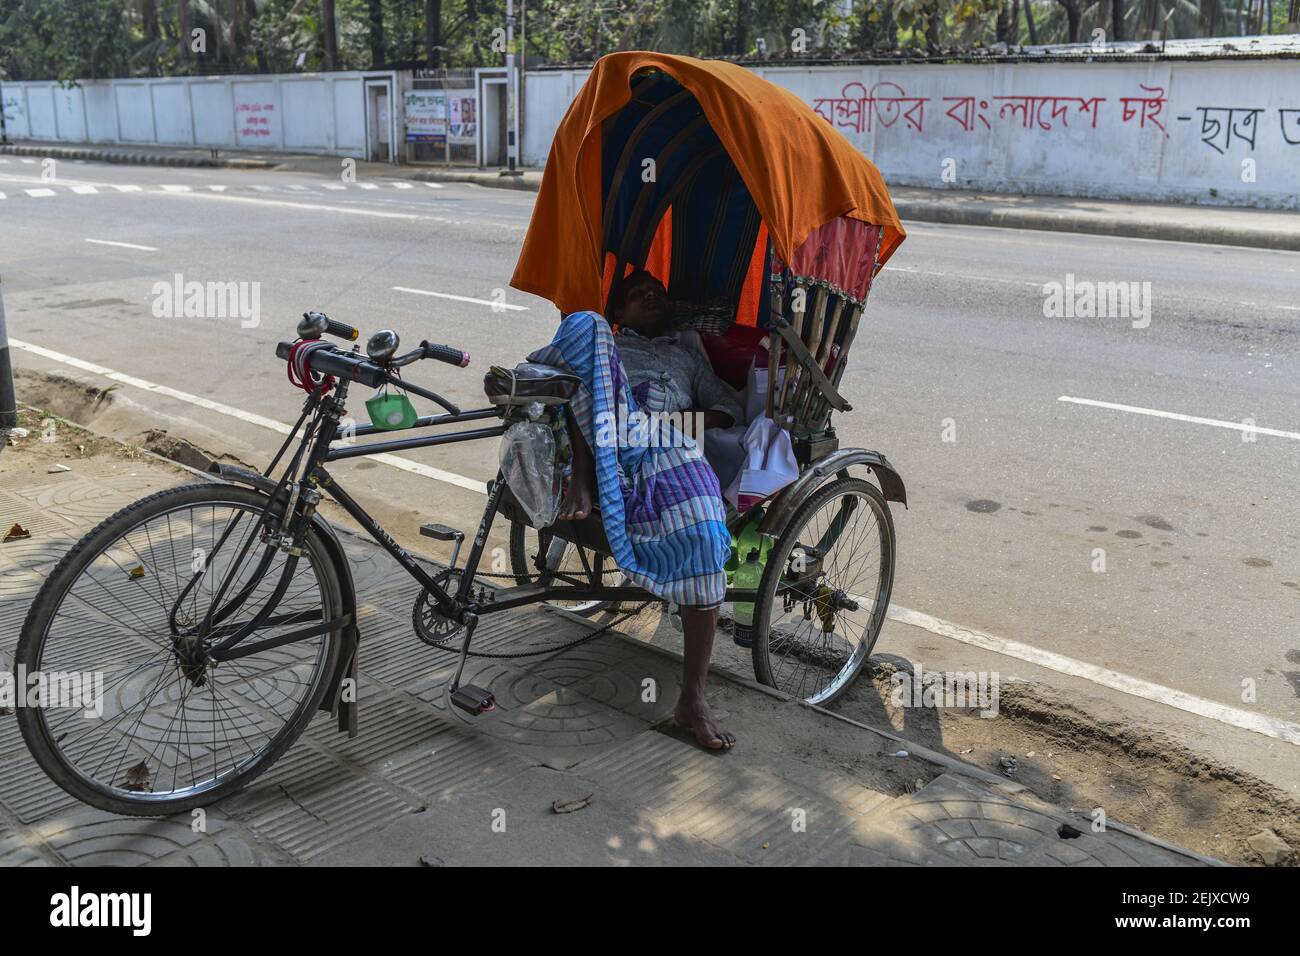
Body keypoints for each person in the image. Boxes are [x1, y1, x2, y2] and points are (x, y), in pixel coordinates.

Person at [526, 270, 742, 751]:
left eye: (657, 293)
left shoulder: (687, 356)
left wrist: (670, 421)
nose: (650, 296)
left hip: (665, 442)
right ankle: (586, 478)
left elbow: (728, 411)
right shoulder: (607, 344)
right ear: (619, 312)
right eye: (637, 293)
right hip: (604, 430)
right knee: (584, 324)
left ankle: (693, 698)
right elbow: (577, 392)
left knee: (706, 537)